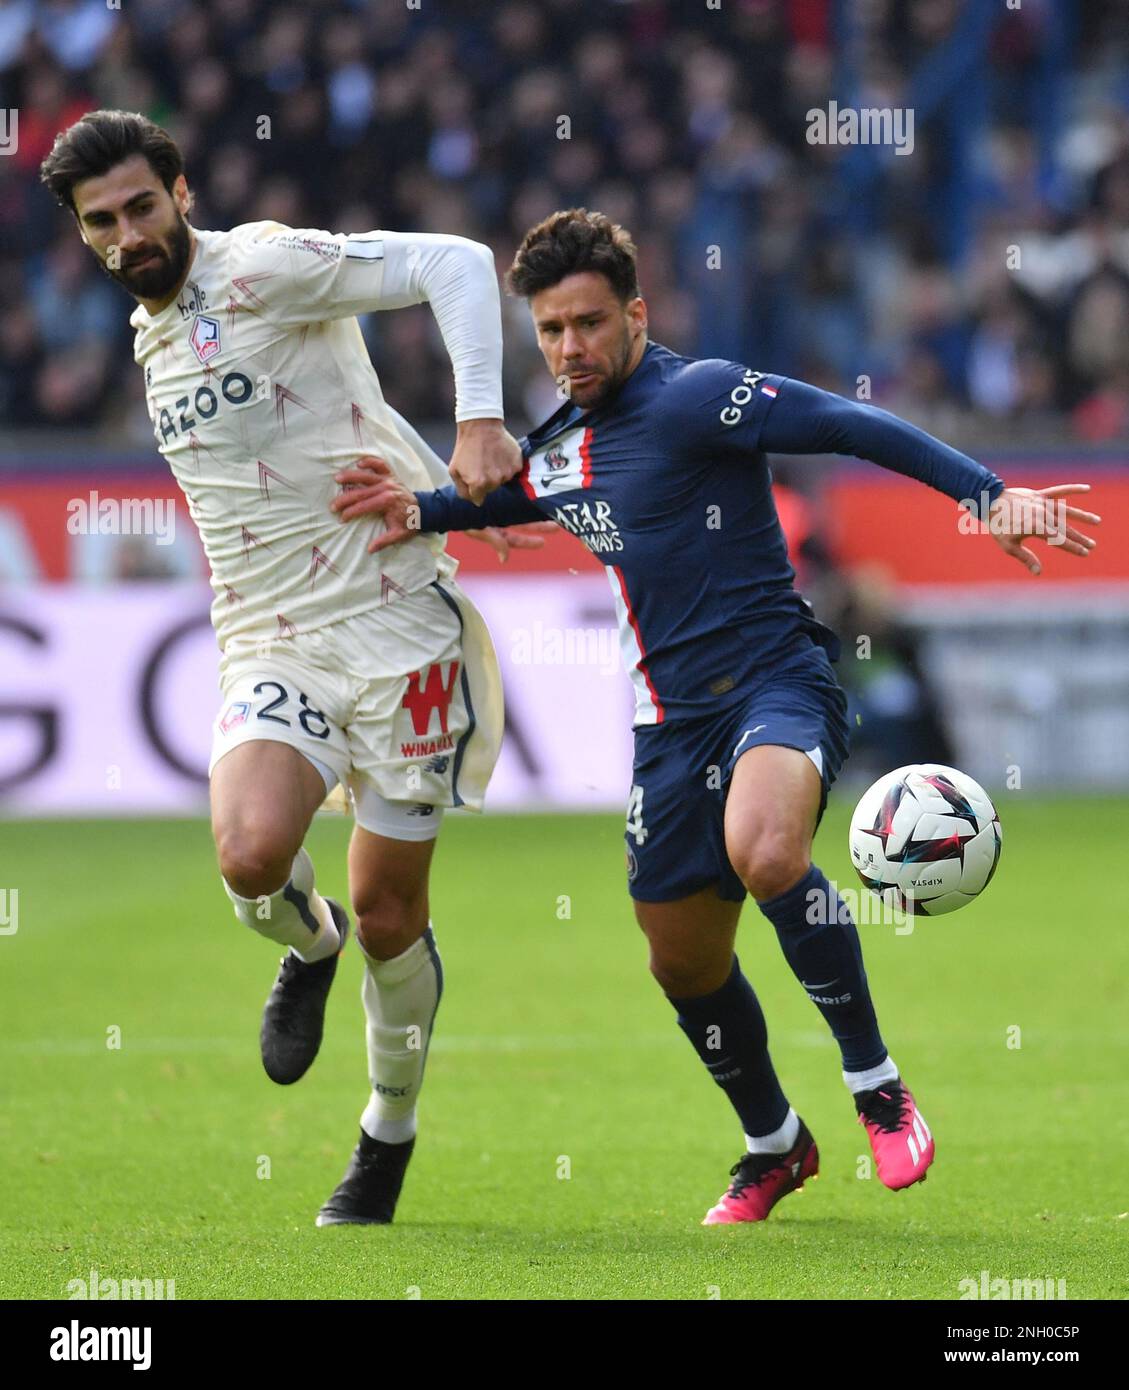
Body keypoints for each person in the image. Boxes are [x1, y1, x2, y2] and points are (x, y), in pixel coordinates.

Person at [332, 208, 1100, 1224]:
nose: (570, 347)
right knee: (679, 960)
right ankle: (773, 1141)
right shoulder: (561, 442)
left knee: (767, 849)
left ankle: (875, 1082)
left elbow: (845, 422)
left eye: (590, 323)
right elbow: (527, 497)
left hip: (776, 683)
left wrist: (986, 493)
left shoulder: (697, 398)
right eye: (552, 330)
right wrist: (423, 510)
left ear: (636, 315)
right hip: (667, 728)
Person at [39, 109, 538, 1227]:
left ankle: (385, 1136)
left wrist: (476, 431)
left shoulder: (260, 265)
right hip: (273, 637)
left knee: (393, 915)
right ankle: (309, 948)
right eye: (100, 223)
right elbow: (325, 413)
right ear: (82, 236)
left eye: (140, 207)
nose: (126, 235)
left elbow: (454, 264)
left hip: (401, 627)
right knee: (251, 851)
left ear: (182, 193)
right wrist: (417, 455)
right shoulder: (150, 334)